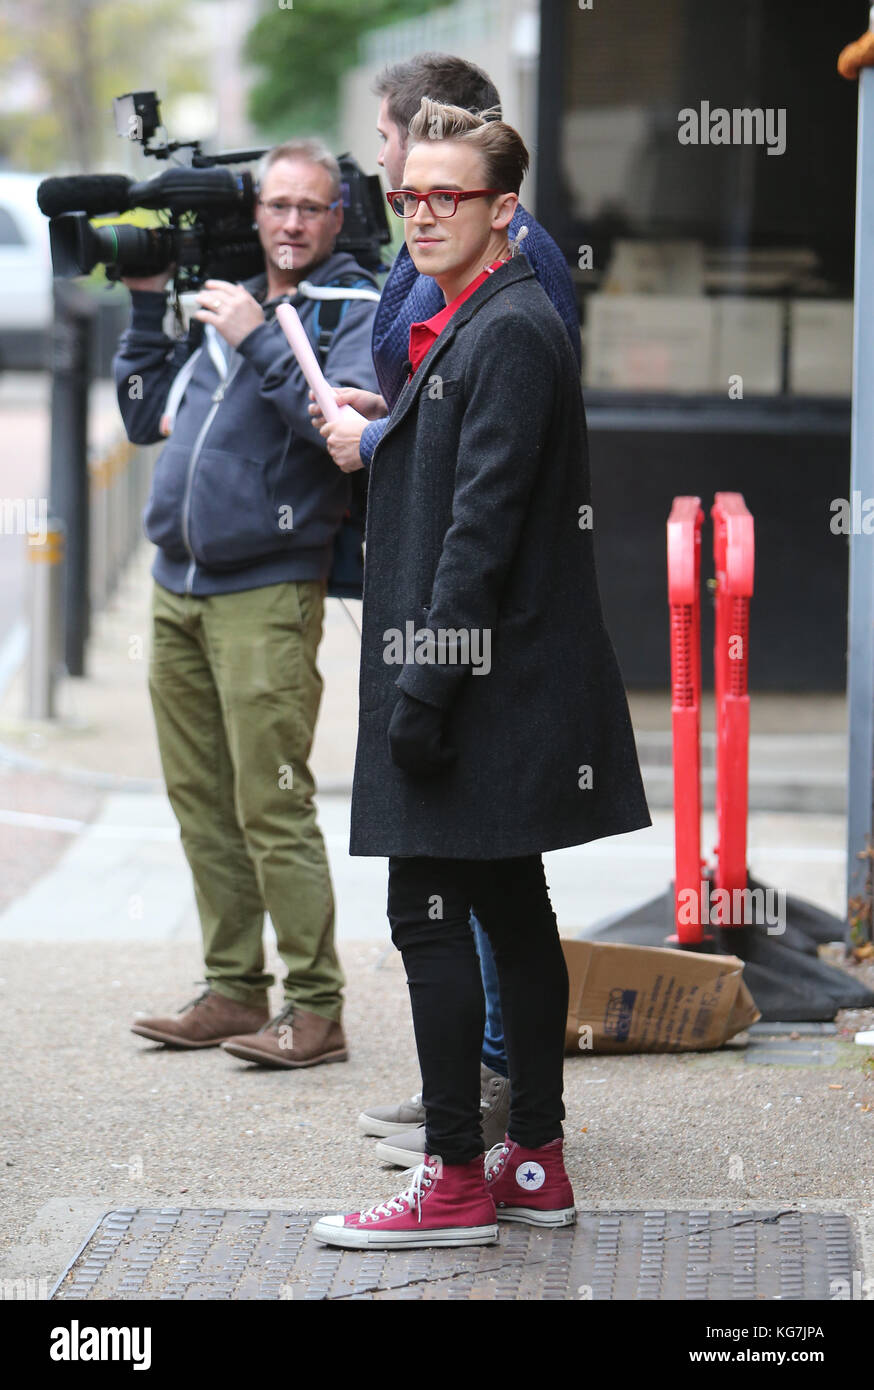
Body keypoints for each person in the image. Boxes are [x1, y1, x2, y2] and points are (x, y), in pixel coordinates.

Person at [311, 100, 650, 1250]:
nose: (421, 213)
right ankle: (534, 1163)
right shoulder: (480, 318)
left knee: (432, 915)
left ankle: (455, 1178)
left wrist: (421, 696)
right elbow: (458, 472)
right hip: (486, 684)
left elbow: (482, 530)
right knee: (510, 909)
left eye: (447, 196)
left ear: (503, 210)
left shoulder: (506, 327)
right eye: (410, 195)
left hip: (470, 687)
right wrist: (393, 426)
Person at [114, 139, 380, 1067]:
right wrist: (149, 309)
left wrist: (260, 338)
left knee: (271, 799)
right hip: (174, 583)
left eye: (312, 207)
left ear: (339, 216)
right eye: (278, 206)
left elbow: (330, 432)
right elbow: (145, 416)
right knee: (200, 799)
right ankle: (233, 990)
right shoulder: (224, 295)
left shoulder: (355, 306)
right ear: (256, 211)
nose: (293, 224)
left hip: (266, 587)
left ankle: (316, 1009)